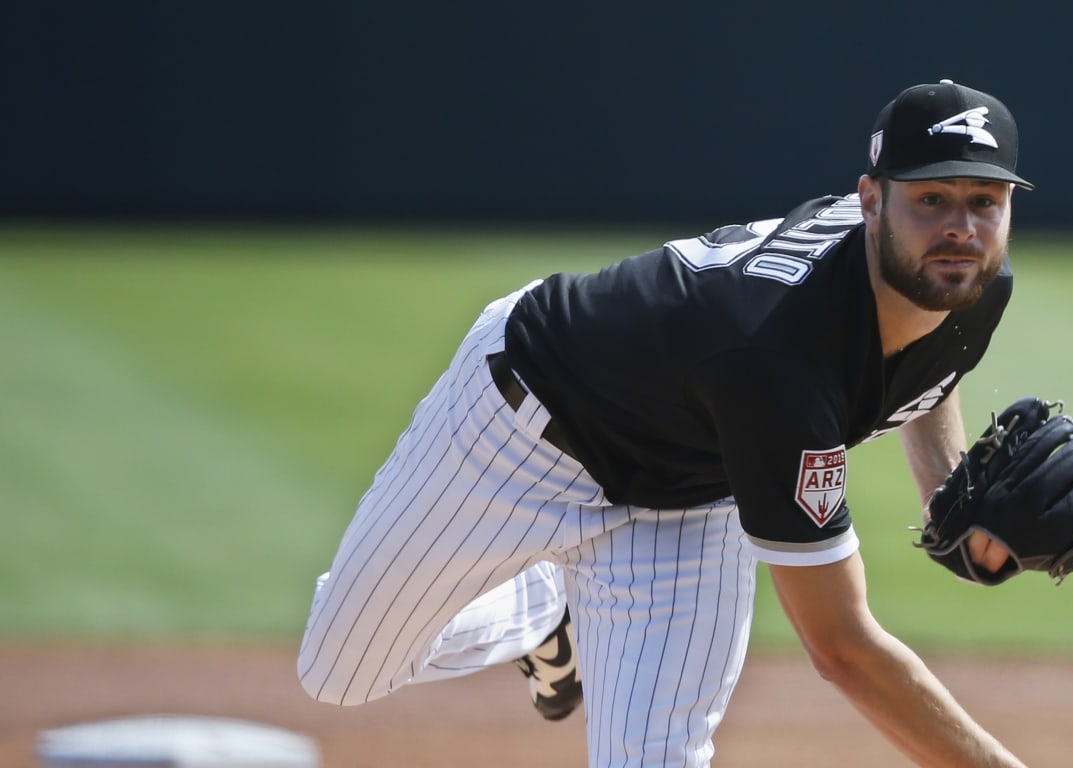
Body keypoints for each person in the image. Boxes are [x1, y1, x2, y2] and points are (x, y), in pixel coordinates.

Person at [298, 79, 1034, 767]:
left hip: (695, 492)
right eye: (931, 198)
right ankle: (541, 614)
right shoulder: (777, 358)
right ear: (870, 200)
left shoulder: (972, 280)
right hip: (526, 420)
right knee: (341, 672)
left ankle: (567, 614)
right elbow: (842, 648)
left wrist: (947, 496)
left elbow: (930, 362)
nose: (960, 228)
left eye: (983, 200)